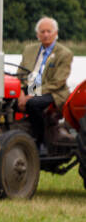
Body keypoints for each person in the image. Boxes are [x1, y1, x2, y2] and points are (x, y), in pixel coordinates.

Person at [16, 16, 73, 145]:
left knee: (33, 104)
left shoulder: (64, 54)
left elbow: (58, 82)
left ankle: (39, 142)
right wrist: (19, 92)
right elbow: (20, 75)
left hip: (53, 91)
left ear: (56, 34)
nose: (46, 34)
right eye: (42, 32)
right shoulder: (29, 50)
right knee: (5, 101)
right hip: (31, 86)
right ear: (37, 35)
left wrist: (31, 95)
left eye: (49, 31)